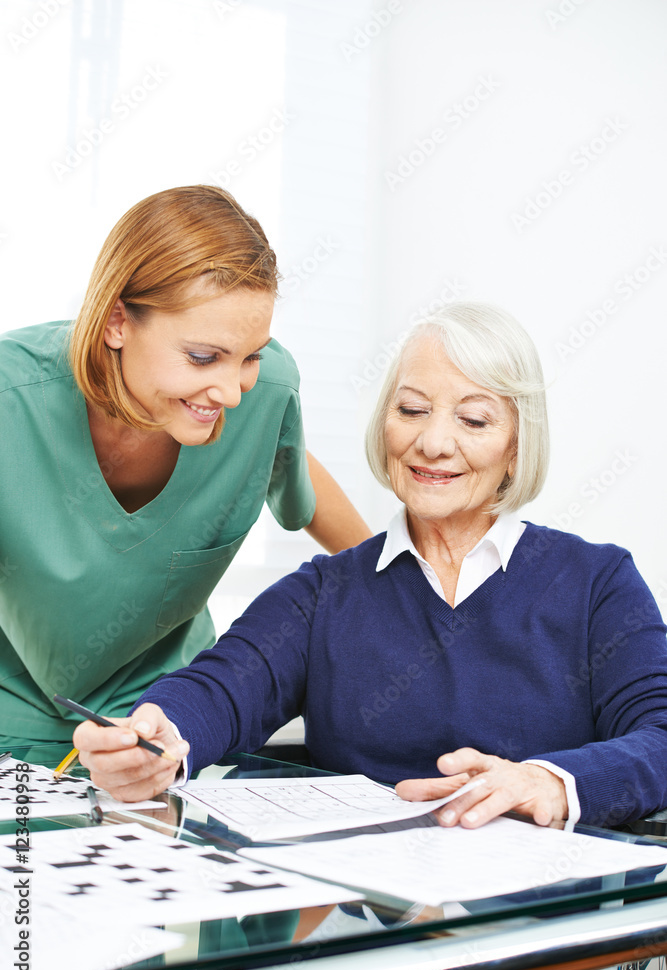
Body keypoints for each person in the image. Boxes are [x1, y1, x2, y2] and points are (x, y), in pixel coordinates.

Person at [75, 301, 667, 830]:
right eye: (411, 410)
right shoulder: (321, 593)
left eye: (474, 420)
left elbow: (661, 738)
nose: (433, 443)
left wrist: (550, 782)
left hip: (542, 925)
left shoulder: (598, 584)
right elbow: (224, 688)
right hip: (365, 922)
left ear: (517, 446)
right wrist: (159, 733)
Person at [0, 184, 370, 751]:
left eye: (251, 356)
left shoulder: (267, 393)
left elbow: (289, 468)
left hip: (167, 723)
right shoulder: (12, 398)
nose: (231, 392)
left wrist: (405, 602)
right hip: (13, 722)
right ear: (116, 322)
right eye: (202, 357)